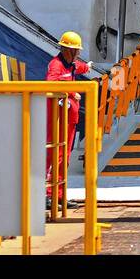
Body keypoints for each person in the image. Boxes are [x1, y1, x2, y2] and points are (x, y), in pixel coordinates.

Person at [46, 31, 92, 201]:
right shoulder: (56, 65)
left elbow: (81, 67)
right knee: (56, 155)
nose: (78, 54)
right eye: (76, 51)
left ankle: (59, 195)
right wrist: (72, 92)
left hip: (69, 120)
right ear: (67, 50)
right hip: (58, 118)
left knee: (64, 157)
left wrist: (89, 67)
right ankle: (50, 195)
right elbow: (51, 83)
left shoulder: (71, 65)